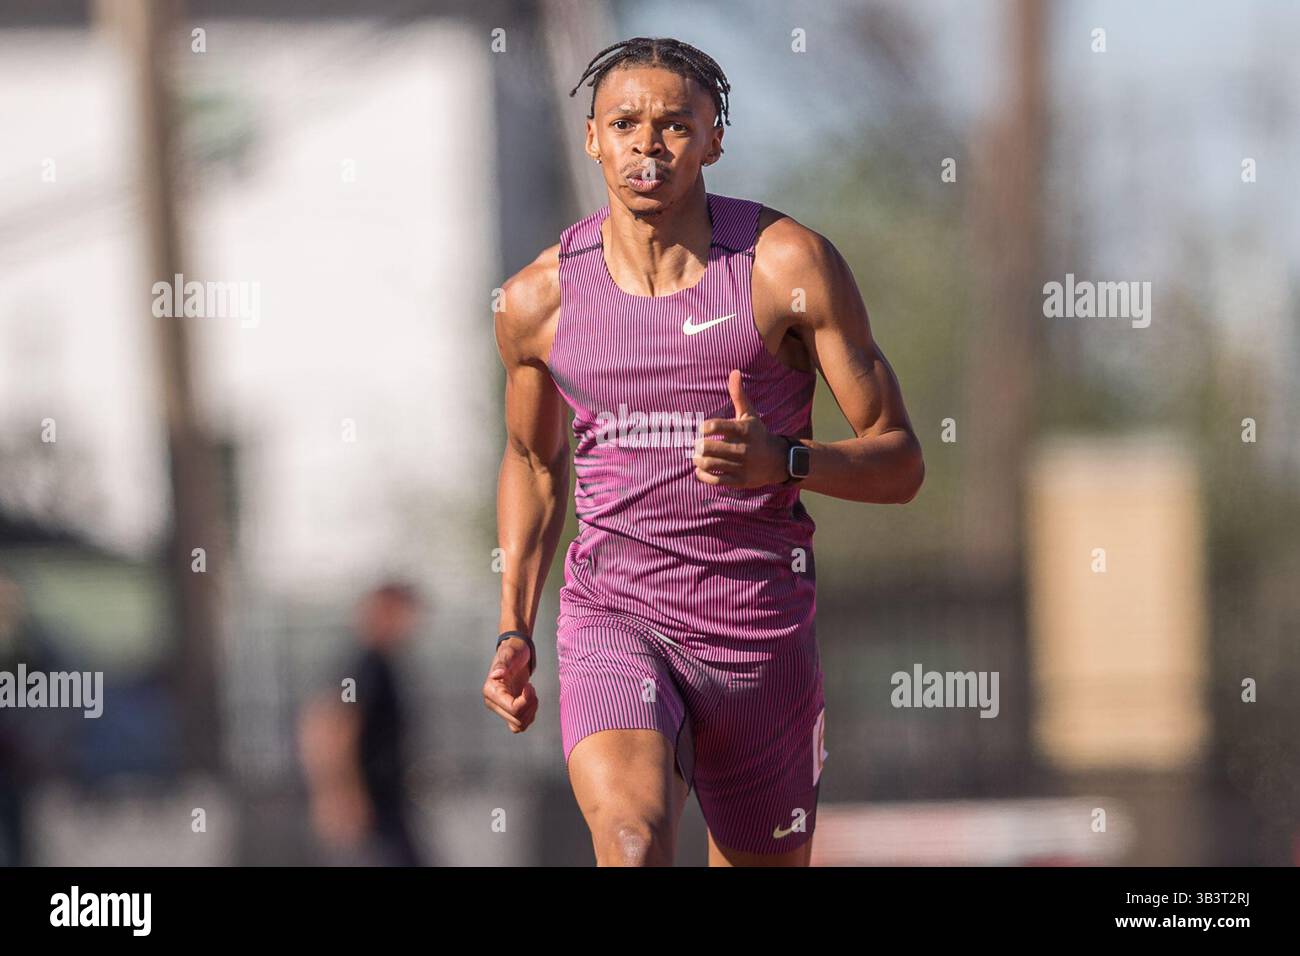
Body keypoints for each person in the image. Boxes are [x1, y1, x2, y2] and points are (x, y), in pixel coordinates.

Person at [483, 36, 923, 867]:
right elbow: (534, 464)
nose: (647, 145)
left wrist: (785, 460)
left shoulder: (785, 266)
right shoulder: (537, 300)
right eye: (624, 124)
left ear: (714, 140)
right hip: (616, 616)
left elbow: (900, 462)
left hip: (759, 634)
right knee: (631, 841)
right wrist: (514, 627)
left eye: (675, 125)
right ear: (592, 138)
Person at [301, 582, 424, 866]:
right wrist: (340, 793)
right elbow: (329, 727)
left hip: (385, 800)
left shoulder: (377, 664)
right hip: (373, 803)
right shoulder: (368, 665)